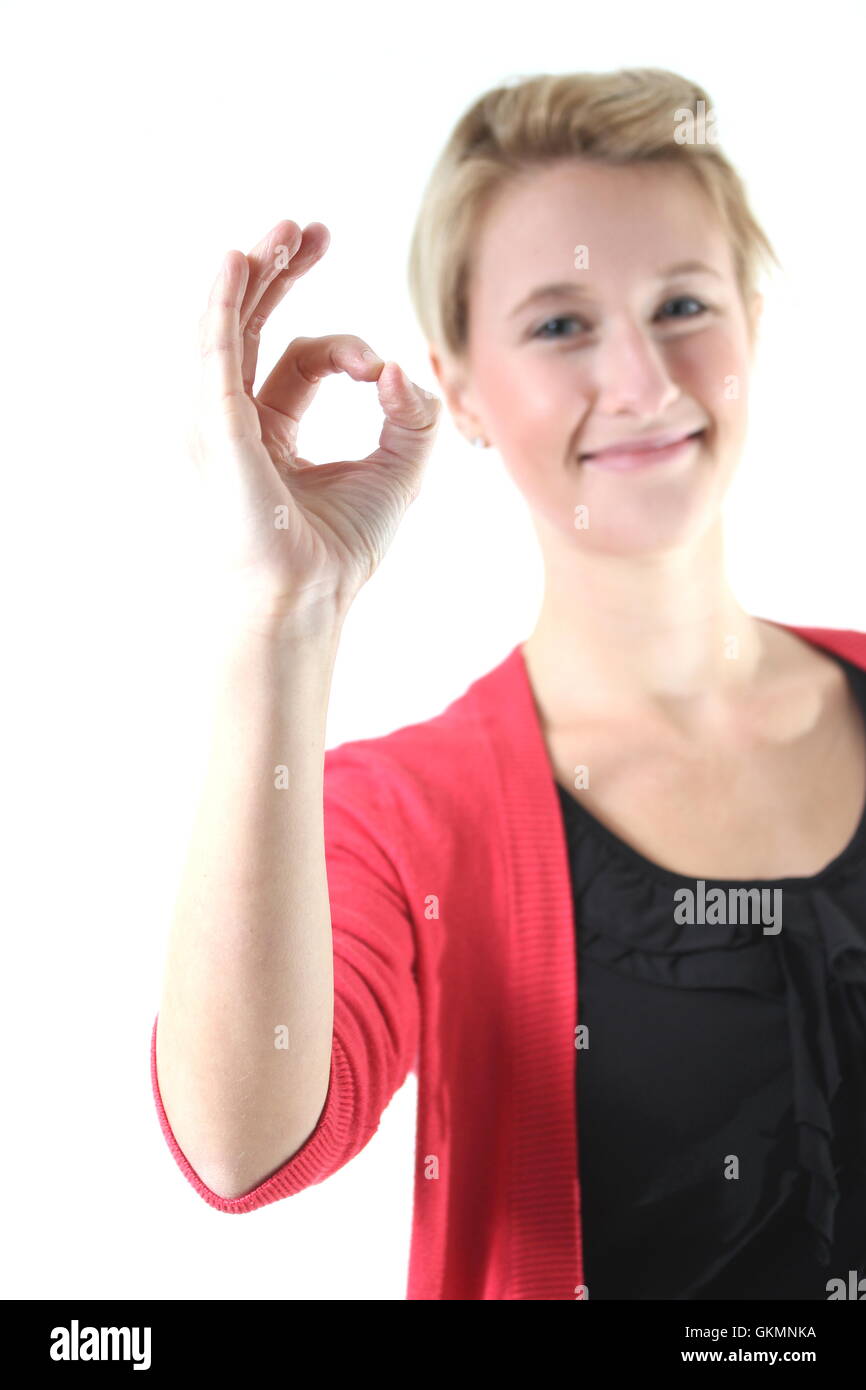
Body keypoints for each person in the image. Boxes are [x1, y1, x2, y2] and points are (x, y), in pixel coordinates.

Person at [151, 67, 866, 1301]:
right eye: (558, 323)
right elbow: (239, 1147)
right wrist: (284, 613)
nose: (641, 380)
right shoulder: (402, 815)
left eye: (683, 303)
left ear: (750, 322)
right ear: (463, 386)